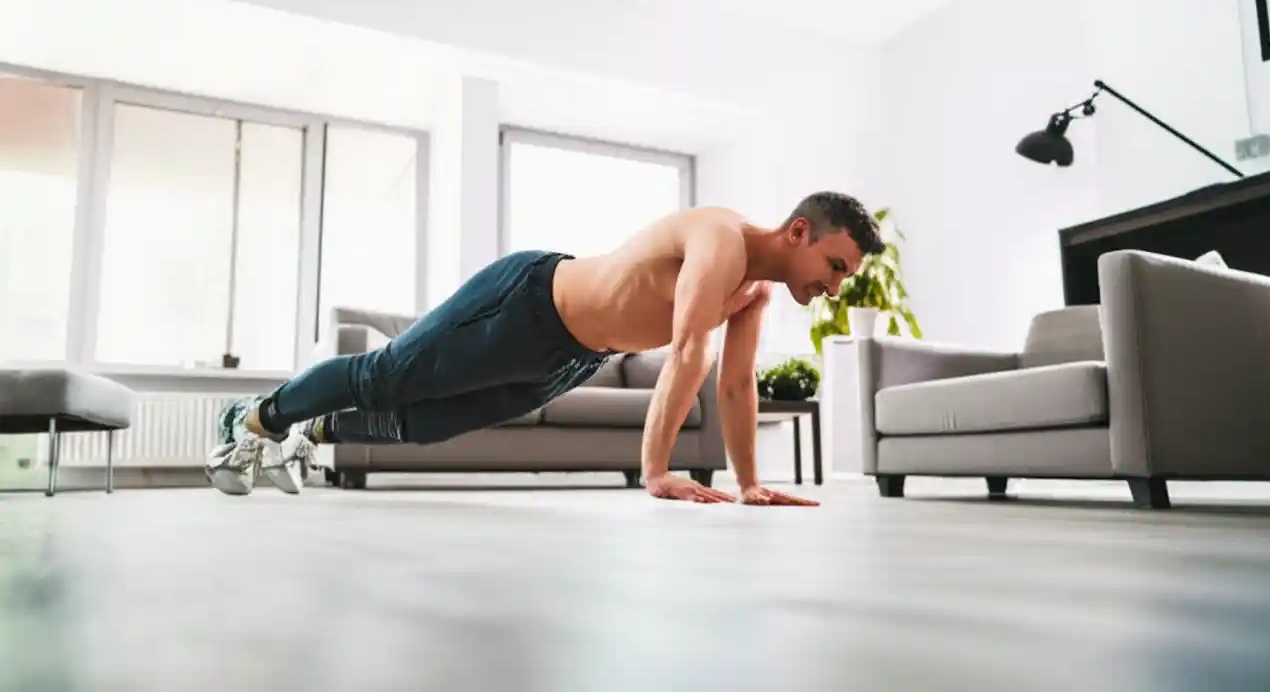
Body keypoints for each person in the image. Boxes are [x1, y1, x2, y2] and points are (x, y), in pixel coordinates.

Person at [206, 191, 885, 504]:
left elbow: (735, 387)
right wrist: (656, 472)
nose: (835, 286)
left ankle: (315, 428)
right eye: (835, 266)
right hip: (528, 303)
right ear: (799, 233)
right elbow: (687, 352)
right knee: (388, 377)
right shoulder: (719, 237)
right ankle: (253, 420)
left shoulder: (754, 295)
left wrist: (750, 484)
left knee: (426, 423)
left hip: (569, 359)